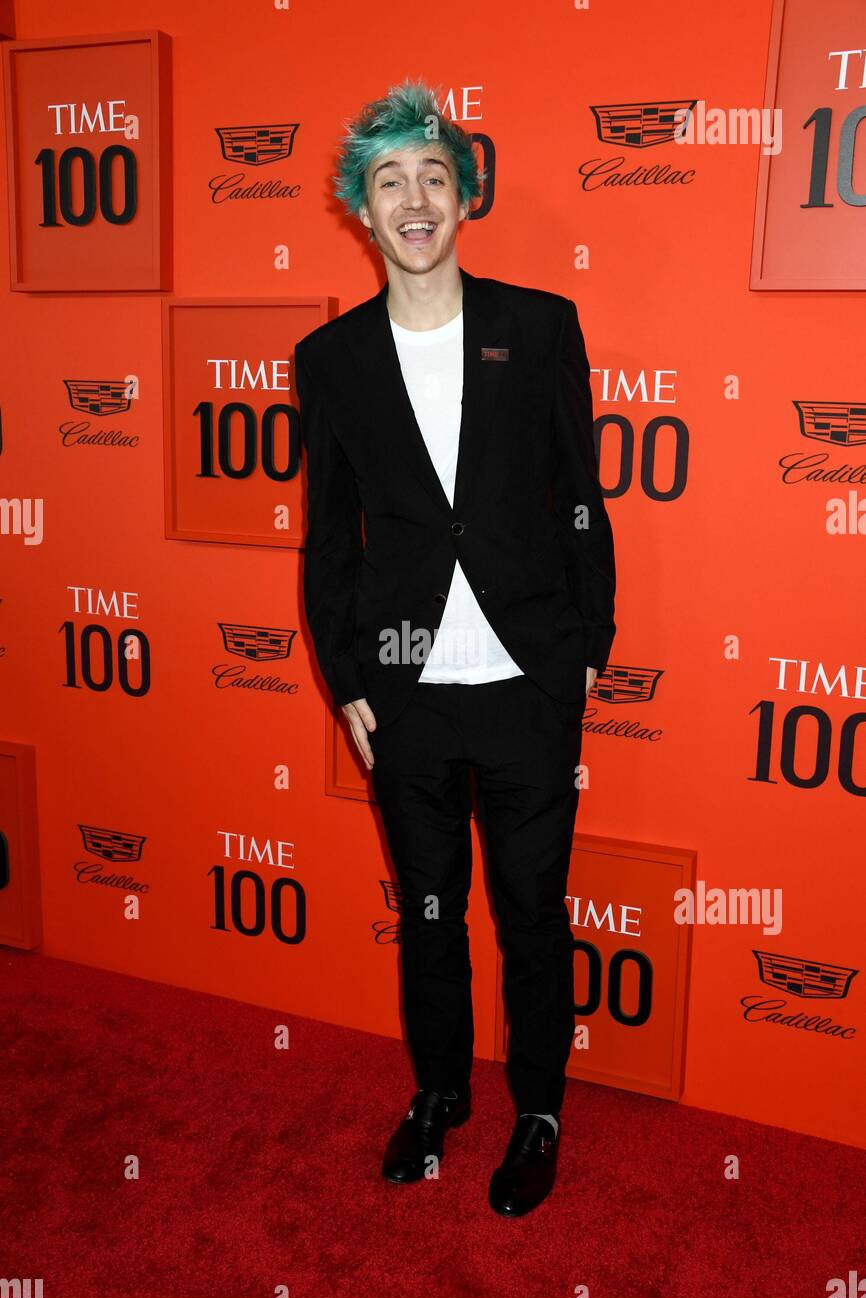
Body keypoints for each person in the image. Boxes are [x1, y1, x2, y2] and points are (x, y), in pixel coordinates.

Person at [294, 79, 616, 1216]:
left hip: (528, 680)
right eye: (389, 181)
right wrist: (347, 678)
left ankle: (536, 1106)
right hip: (407, 689)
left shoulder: (538, 328)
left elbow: (581, 494)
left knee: (531, 911)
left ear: (461, 196)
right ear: (362, 211)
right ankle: (438, 1095)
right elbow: (329, 538)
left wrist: (590, 641)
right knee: (426, 908)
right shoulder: (328, 361)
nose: (414, 199)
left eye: (433, 175)